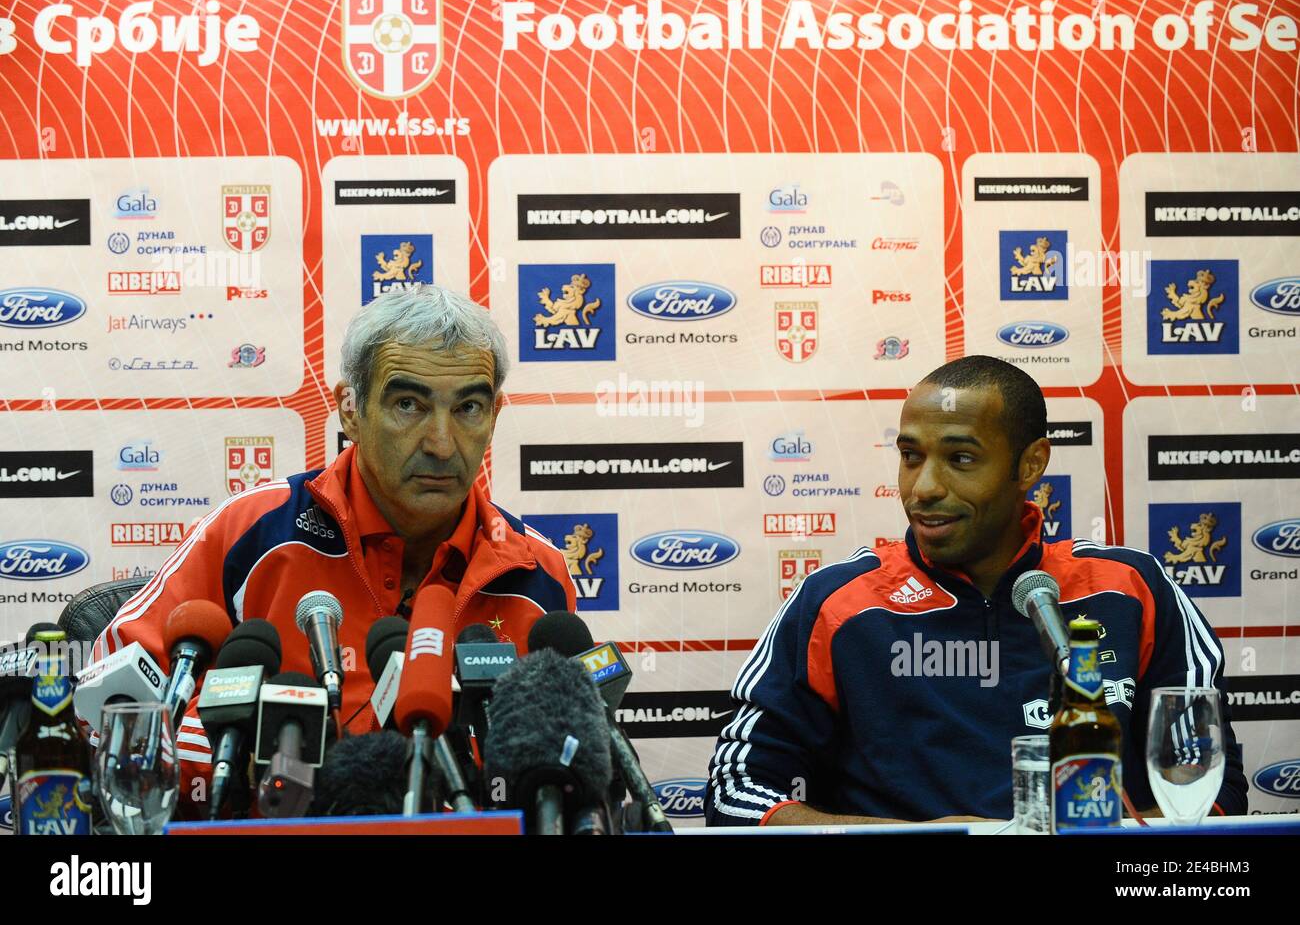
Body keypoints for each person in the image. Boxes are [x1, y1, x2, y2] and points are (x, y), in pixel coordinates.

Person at [90, 288, 576, 814]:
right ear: (350, 410)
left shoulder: (537, 573)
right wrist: (262, 759)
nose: (441, 442)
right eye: (408, 404)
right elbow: (114, 708)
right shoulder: (251, 532)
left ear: (495, 415)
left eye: (468, 408)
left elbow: (570, 759)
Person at [706, 355, 1247, 825]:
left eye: (961, 459)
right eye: (911, 456)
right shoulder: (838, 602)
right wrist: (927, 842)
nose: (924, 488)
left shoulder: (1133, 588)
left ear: (1031, 464)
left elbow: (1211, 788)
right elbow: (736, 795)